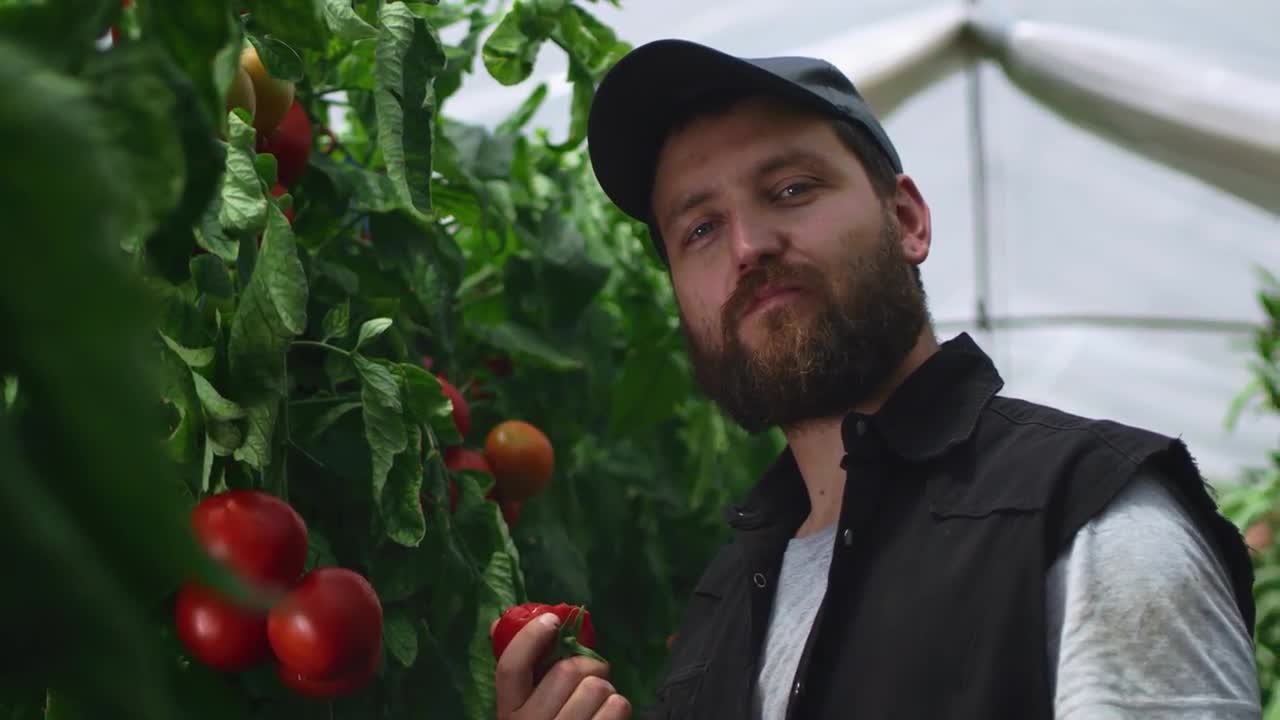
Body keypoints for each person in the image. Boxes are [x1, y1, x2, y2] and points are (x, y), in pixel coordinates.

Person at [490, 38, 1262, 720]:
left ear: (907, 221)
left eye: (791, 189)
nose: (748, 246)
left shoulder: (1088, 517)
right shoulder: (726, 599)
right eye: (699, 229)